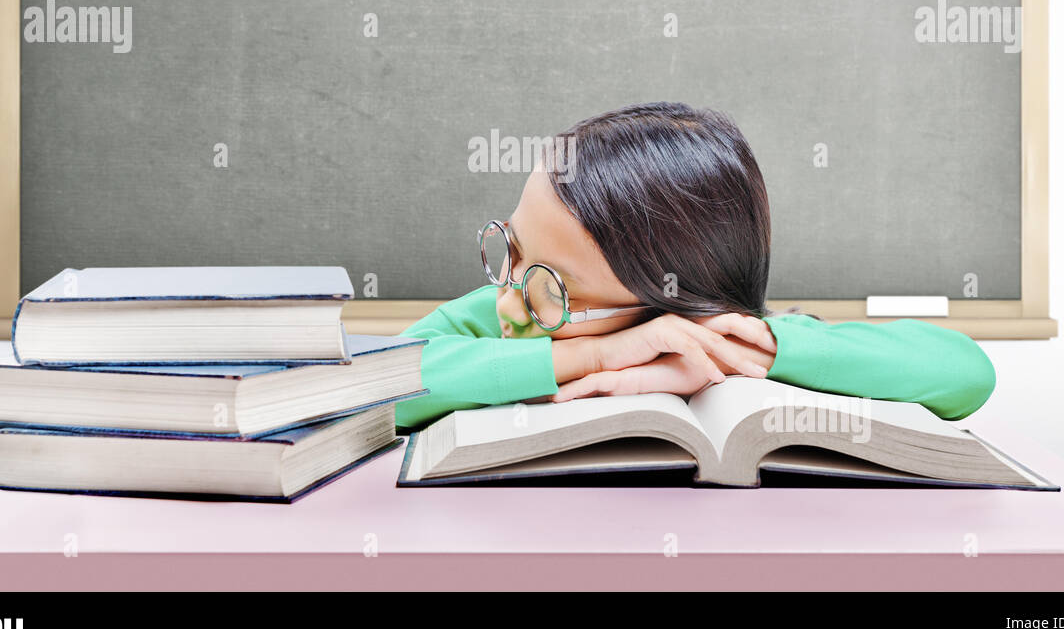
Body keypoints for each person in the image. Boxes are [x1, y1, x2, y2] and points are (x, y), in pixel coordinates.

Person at [394, 102, 995, 431]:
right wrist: (593, 354)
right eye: (513, 247)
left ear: (675, 311)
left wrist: (759, 350)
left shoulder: (742, 342)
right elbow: (374, 389)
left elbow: (967, 373)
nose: (508, 298)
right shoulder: (498, 314)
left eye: (554, 287)